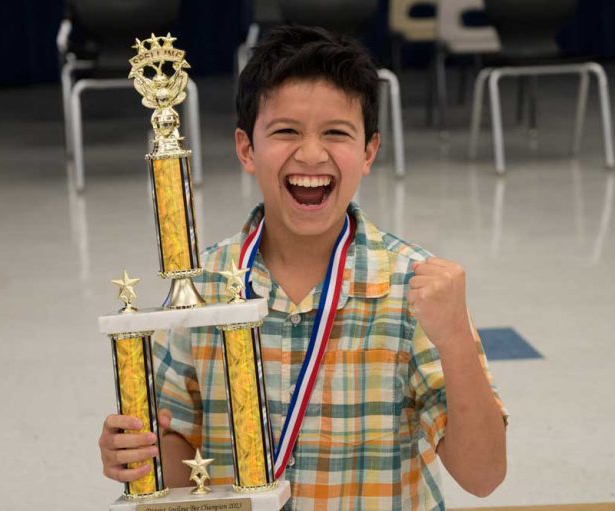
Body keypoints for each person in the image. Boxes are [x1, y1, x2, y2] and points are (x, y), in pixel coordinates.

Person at [99, 25, 507, 509]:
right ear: (246, 149)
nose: (311, 154)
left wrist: (456, 337)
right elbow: (174, 441)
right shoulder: (202, 283)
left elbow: (483, 476)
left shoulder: (412, 287)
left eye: (336, 133)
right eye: (286, 131)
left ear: (369, 151)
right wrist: (136, 455)